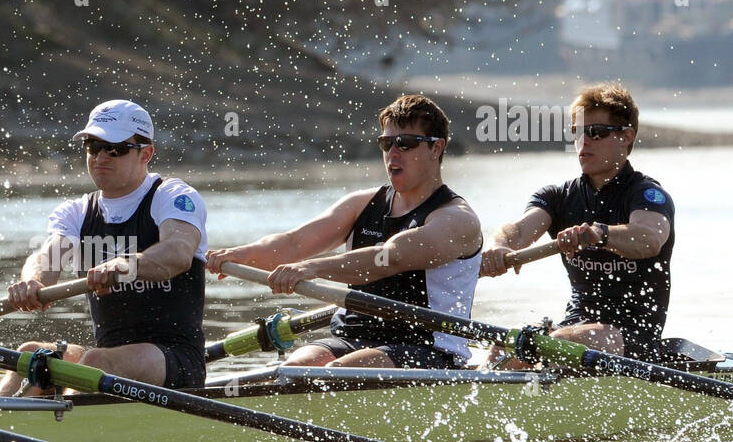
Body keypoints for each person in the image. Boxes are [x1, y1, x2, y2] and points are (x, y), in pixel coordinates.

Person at [207, 94, 482, 369]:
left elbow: (389, 258)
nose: (393, 153)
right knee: (295, 369)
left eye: (405, 143)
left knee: (338, 373)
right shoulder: (360, 204)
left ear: (437, 148)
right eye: (386, 143)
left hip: (426, 348)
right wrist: (236, 255)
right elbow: (294, 243)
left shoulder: (456, 219)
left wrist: (310, 269)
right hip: (352, 337)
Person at [0, 99, 208, 396]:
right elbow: (47, 257)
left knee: (94, 361)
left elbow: (178, 253)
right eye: (94, 147)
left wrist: (125, 265)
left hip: (174, 359)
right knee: (30, 355)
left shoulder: (172, 196)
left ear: (146, 153)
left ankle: (62, 428)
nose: (101, 157)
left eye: (116, 148)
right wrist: (34, 280)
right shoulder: (77, 212)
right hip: (109, 361)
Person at [480, 82, 674, 362]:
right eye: (578, 132)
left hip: (633, 337)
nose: (584, 141)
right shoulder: (557, 197)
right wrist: (500, 246)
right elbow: (518, 230)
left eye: (596, 132)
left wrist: (599, 234)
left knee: (555, 343)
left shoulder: (646, 195)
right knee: (502, 348)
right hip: (576, 327)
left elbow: (649, 238)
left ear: (626, 137)